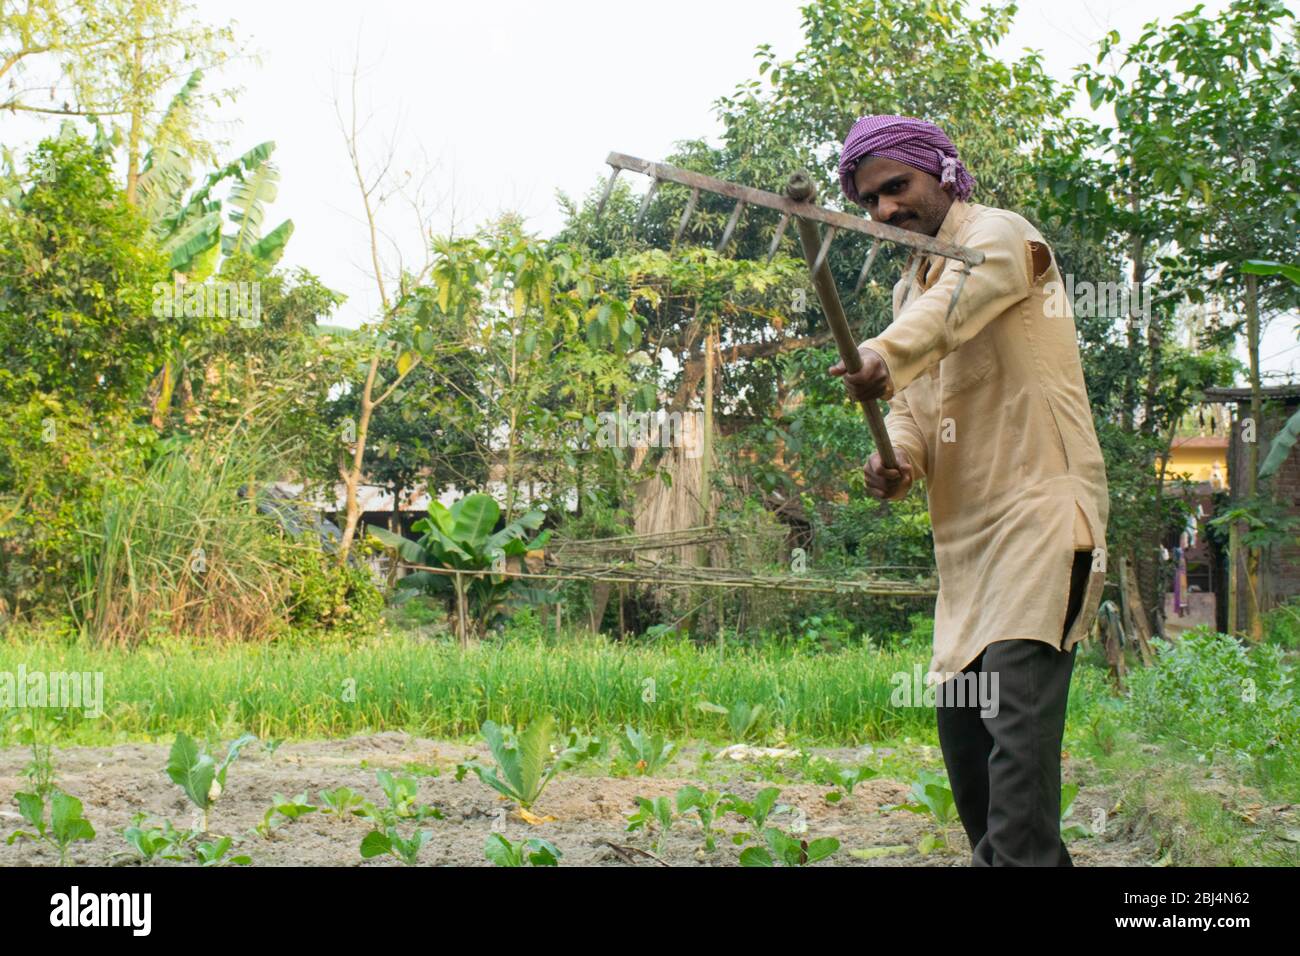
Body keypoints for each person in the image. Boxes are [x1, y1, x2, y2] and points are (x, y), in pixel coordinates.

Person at [828, 115, 1110, 866]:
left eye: (898, 187)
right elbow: (913, 415)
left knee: (1017, 767)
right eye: (870, 202)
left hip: (1042, 523)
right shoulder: (907, 292)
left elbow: (948, 314)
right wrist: (895, 462)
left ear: (943, 174)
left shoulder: (1000, 237)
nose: (886, 211)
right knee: (973, 770)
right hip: (966, 553)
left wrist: (882, 355)